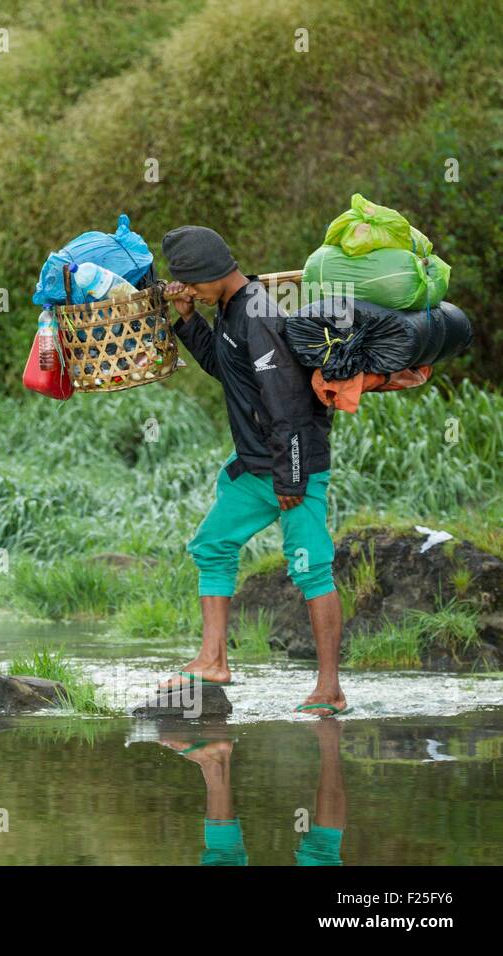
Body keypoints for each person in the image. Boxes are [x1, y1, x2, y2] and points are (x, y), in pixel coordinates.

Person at [158, 225, 348, 717]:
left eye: (191, 284)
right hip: (255, 467)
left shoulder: (259, 313)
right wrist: (186, 320)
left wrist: (291, 478)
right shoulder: (228, 309)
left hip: (292, 466)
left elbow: (286, 402)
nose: (187, 290)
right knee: (211, 545)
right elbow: (228, 369)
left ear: (209, 272)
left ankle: (330, 688)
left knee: (310, 568)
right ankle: (214, 659)